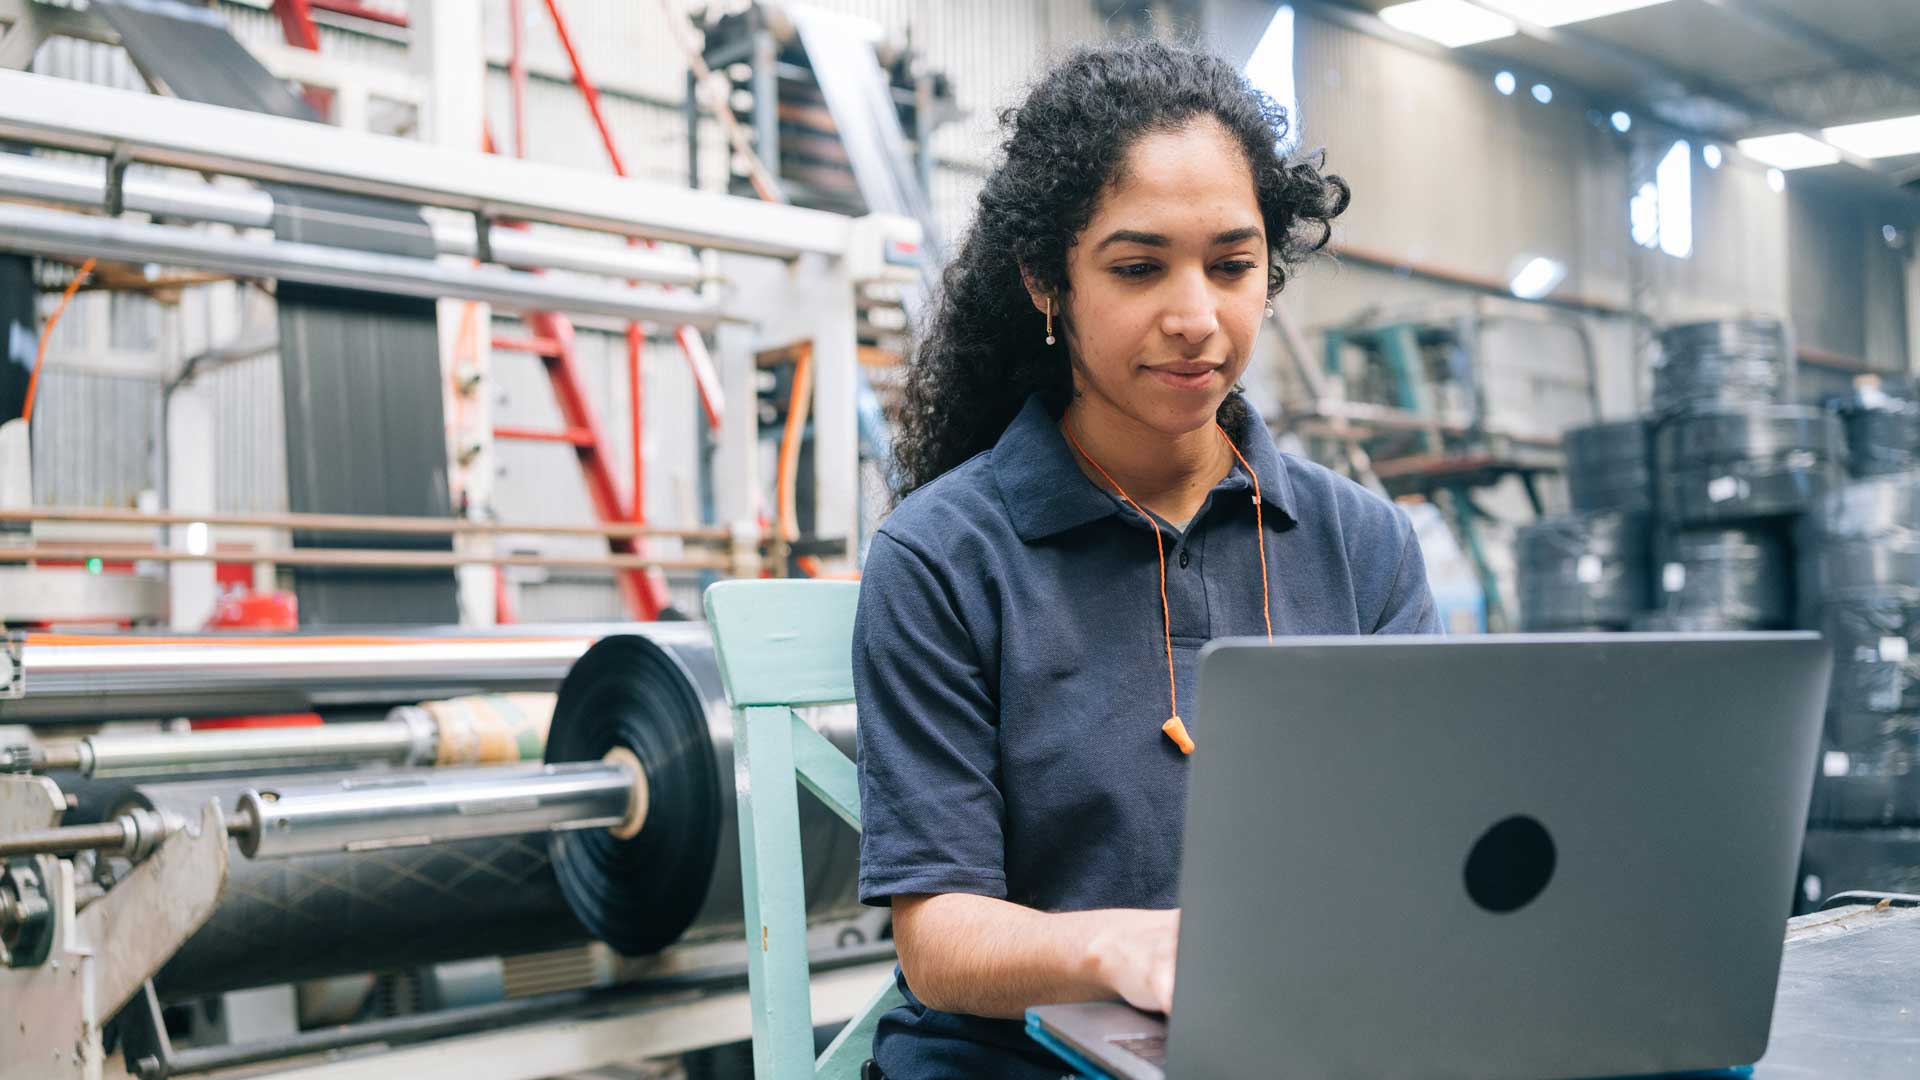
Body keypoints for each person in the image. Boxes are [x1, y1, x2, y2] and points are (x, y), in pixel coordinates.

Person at [852, 38, 1443, 1079]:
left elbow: (1422, 849)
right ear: (1047, 281)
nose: (1195, 319)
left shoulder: (1364, 545)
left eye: (1232, 265)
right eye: (1136, 268)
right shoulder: (943, 559)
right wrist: (1119, 947)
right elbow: (938, 942)